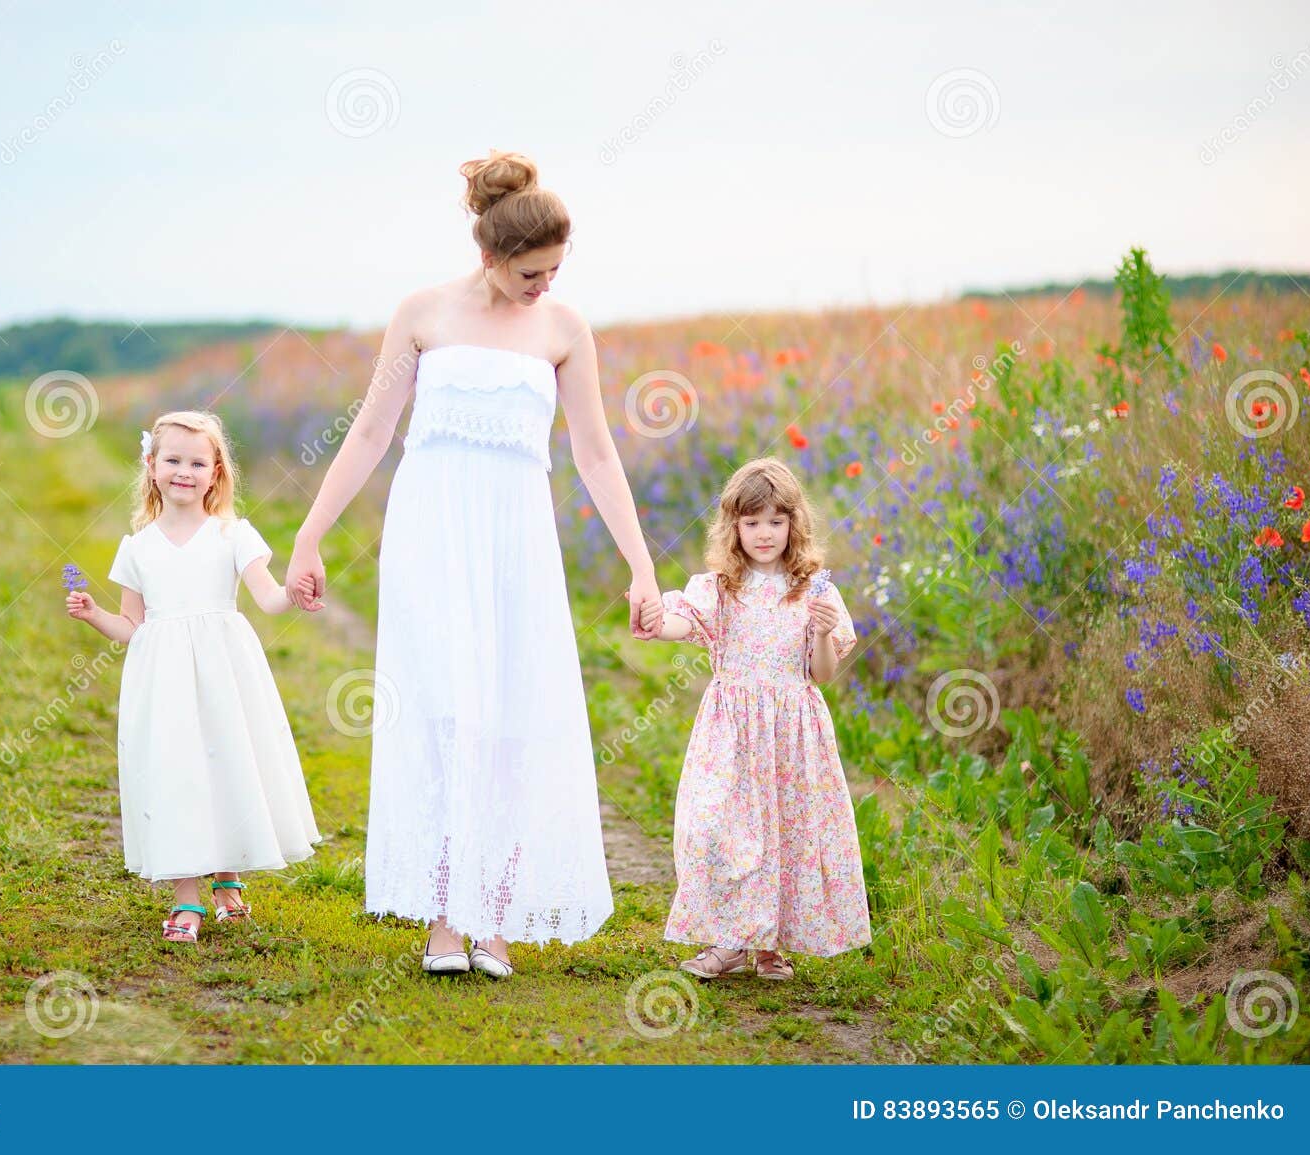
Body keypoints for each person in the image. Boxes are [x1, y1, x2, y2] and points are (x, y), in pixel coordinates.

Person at [285, 150, 662, 977]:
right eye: (532, 272)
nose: (545, 286)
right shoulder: (421, 313)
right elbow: (372, 431)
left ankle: (493, 917)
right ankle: (443, 920)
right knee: (443, 712)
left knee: (509, 721)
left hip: (516, 541)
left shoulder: (565, 331)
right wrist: (309, 536)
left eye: (557, 271)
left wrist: (640, 565)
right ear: (491, 256)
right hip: (430, 534)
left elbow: (596, 454)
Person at [66, 410, 321, 943]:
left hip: (224, 673)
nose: (184, 471)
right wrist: (95, 615)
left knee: (227, 762)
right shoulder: (137, 547)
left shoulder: (233, 534)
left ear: (216, 472)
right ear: (151, 465)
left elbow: (267, 597)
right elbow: (133, 625)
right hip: (163, 680)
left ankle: (229, 883)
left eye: (197, 462)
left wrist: (291, 594)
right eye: (173, 460)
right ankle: (188, 900)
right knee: (175, 771)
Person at [643, 456, 870, 978]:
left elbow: (823, 673)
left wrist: (820, 630)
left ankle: (770, 943)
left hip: (793, 730)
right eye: (751, 523)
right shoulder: (720, 585)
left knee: (786, 833)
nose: (763, 533)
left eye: (775, 521)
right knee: (717, 825)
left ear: (794, 524)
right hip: (731, 730)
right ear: (734, 527)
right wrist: (658, 622)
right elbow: (684, 622)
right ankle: (728, 941)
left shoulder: (815, 590)